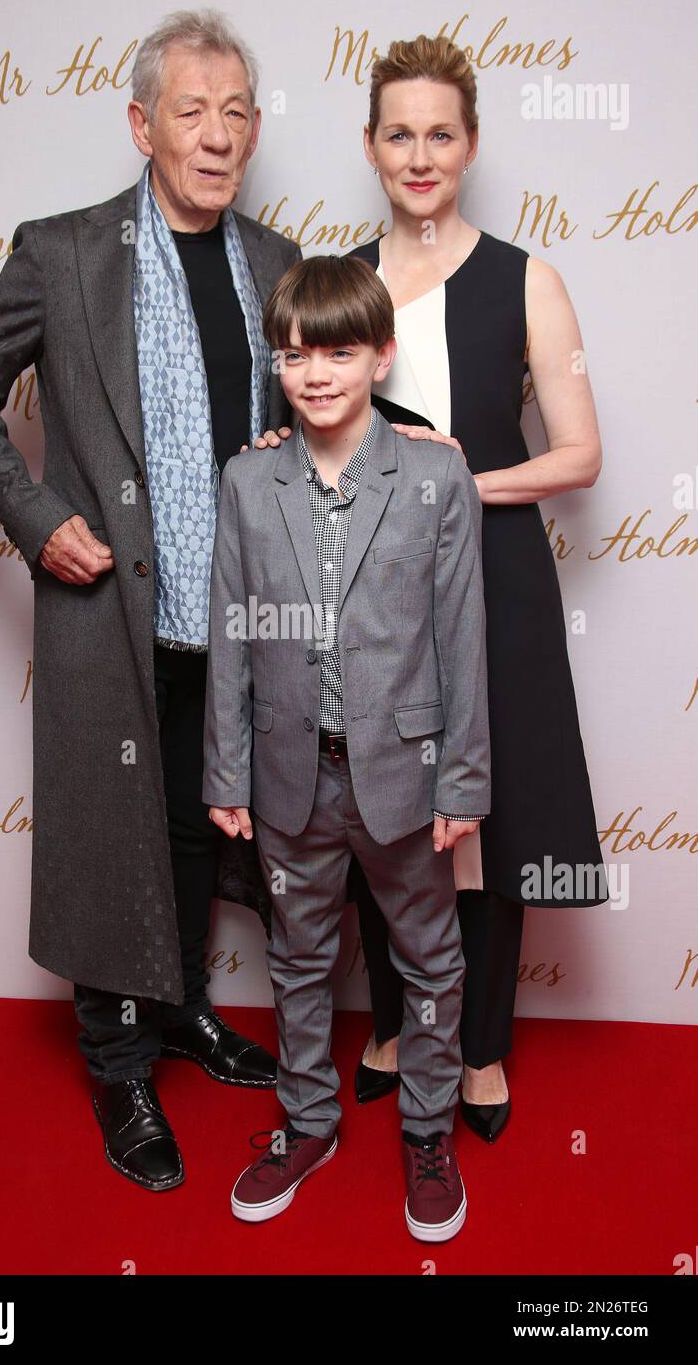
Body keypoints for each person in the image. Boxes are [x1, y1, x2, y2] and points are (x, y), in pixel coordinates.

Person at [0, 8, 303, 1193]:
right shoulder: (64, 250)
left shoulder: (281, 264)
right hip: (108, 615)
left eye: (237, 110)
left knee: (201, 824)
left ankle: (185, 1007)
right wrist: (39, 522)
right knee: (106, 834)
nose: (219, 133)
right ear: (141, 123)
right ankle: (117, 1061)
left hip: (238, 621)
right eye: (192, 109)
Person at [343, 34, 609, 1136]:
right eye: (397, 133)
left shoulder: (527, 277)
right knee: (374, 799)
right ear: (369, 147)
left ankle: (483, 1048)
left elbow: (581, 456)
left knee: (487, 808)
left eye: (439, 133)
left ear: (471, 143)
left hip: (494, 573)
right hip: (364, 582)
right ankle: (401, 1025)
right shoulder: (339, 282)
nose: (419, 153)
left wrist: (461, 476)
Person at [203, 254, 490, 1240]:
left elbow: (460, 635)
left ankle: (425, 1134)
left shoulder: (434, 471)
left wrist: (462, 777)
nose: (315, 373)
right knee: (296, 959)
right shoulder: (248, 478)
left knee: (430, 961)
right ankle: (308, 1123)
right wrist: (226, 769)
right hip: (289, 776)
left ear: (380, 354)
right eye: (293, 354)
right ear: (275, 364)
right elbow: (234, 629)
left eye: (337, 351)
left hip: (406, 778)